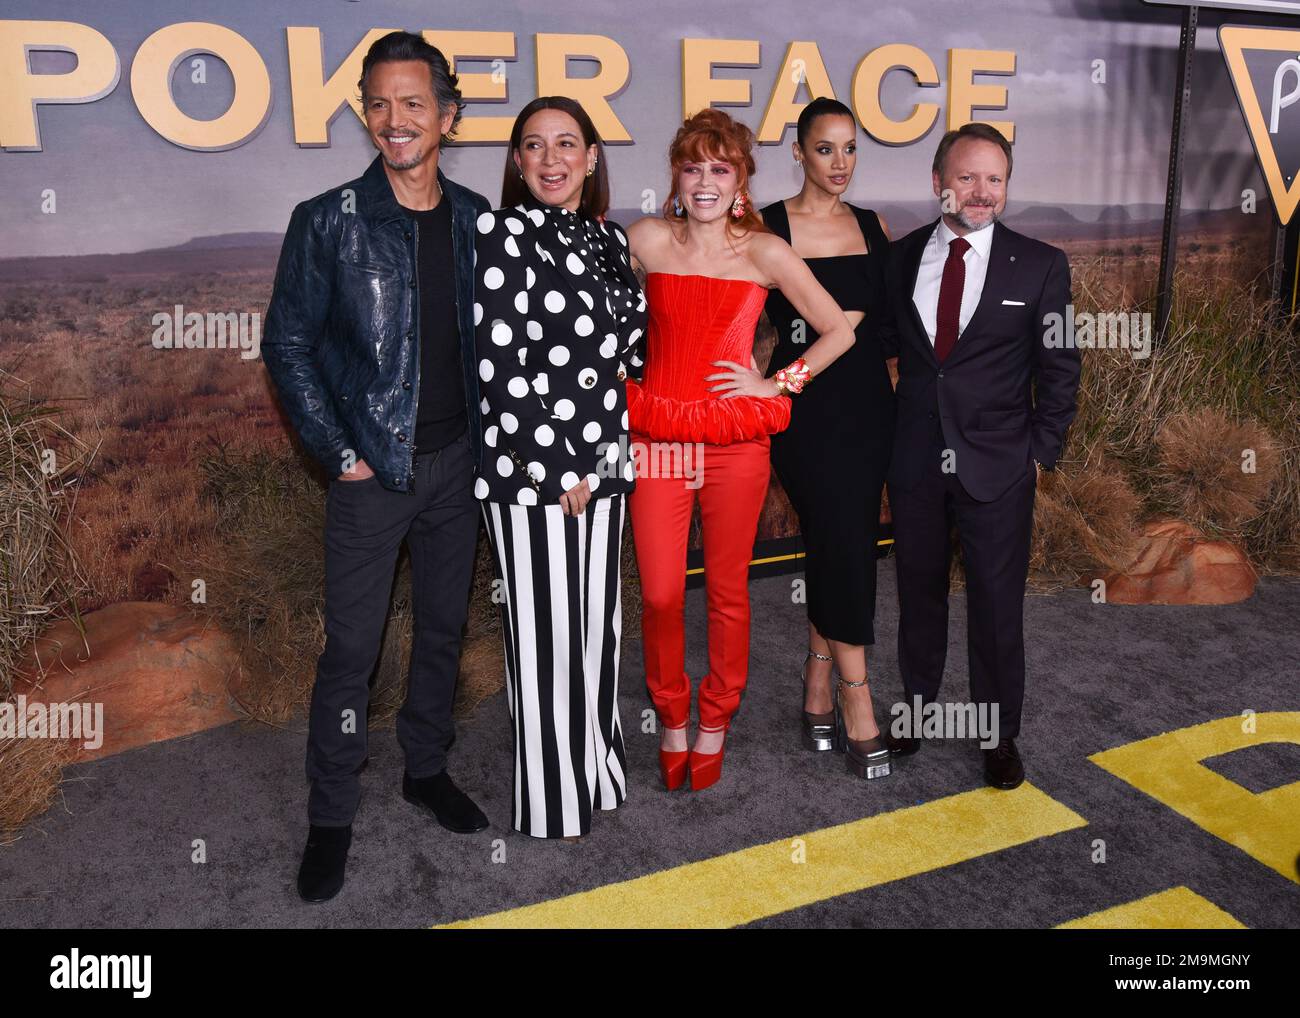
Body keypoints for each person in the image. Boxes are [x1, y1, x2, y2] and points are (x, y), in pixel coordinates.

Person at [263, 31, 491, 903]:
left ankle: (425, 769)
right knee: (352, 652)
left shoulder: (478, 222)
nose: (396, 121)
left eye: (413, 103)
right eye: (380, 104)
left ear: (447, 115)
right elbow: (287, 345)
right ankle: (331, 815)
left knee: (440, 630)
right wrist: (342, 453)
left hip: (457, 468)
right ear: (368, 114)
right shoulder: (327, 221)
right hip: (369, 478)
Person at [626, 108, 862, 792]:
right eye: (692, 167)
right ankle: (671, 714)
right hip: (660, 436)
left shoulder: (764, 251)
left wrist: (772, 383)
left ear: (741, 180)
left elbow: (836, 331)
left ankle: (715, 718)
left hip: (735, 442)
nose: (704, 181)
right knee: (664, 595)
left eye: (719, 169)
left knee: (729, 592)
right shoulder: (644, 239)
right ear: (675, 173)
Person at [878, 122, 1080, 788]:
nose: (981, 191)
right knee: (918, 593)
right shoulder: (901, 257)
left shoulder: (1042, 263)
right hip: (915, 458)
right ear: (938, 183)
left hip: (1000, 465)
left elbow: (1060, 367)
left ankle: (999, 734)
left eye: (994, 178)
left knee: (997, 606)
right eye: (967, 177)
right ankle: (918, 708)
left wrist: (1039, 453)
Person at [472, 97, 647, 840]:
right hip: (531, 475)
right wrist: (552, 469)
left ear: (592, 156)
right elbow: (500, 366)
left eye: (566, 144)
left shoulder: (611, 241)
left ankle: (598, 768)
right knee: (545, 640)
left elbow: (627, 361)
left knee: (597, 632)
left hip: (606, 465)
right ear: (517, 161)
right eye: (534, 146)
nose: (551, 159)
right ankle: (552, 802)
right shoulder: (502, 232)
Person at [758, 97, 896, 779]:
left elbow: (888, 320)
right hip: (803, 410)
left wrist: (845, 318)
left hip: (868, 407)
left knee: (841, 543)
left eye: (849, 149)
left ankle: (817, 677)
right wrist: (764, 384)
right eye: (824, 149)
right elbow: (745, 324)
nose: (839, 164)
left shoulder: (873, 224)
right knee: (841, 539)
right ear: (798, 151)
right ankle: (858, 698)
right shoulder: (769, 227)